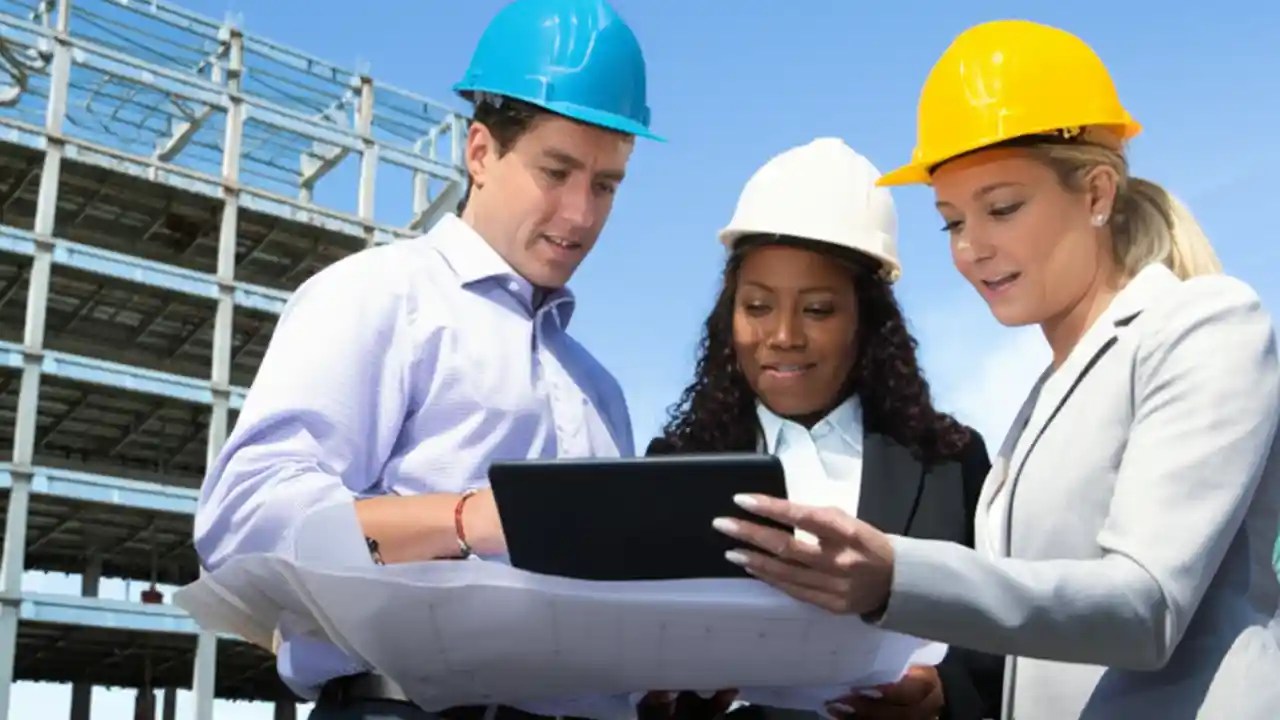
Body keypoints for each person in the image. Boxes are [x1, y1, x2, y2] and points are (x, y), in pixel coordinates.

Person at [712, 19, 1280, 720]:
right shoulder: (1044, 401)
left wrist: (895, 577)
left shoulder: (1207, 325)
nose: (972, 249)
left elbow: (1147, 605)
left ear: (1098, 194)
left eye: (1002, 209)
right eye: (951, 222)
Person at [192, 1, 669, 718]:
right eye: (556, 171)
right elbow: (244, 521)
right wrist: (465, 519)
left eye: (605, 185)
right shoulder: (378, 296)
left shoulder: (598, 391)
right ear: (480, 152)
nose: (581, 215)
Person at [648, 137, 1003, 720]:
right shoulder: (670, 468)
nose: (783, 335)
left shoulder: (950, 464)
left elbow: (1002, 645)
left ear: (868, 320)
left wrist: (942, 697)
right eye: (758, 306)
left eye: (817, 309)